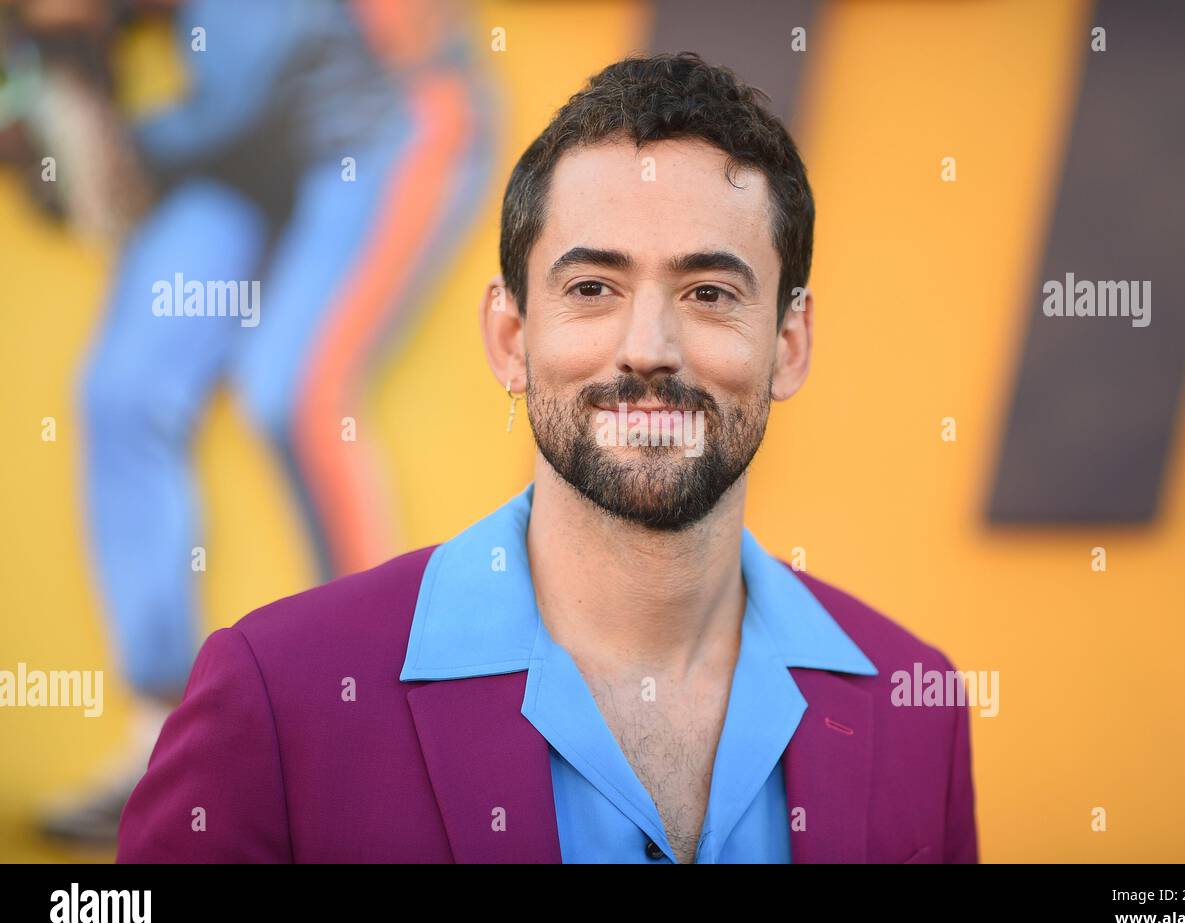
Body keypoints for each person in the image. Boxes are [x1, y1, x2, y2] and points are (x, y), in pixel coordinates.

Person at [117, 51, 977, 863]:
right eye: (593, 288)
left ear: (789, 343)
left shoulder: (915, 703)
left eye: (710, 293)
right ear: (510, 336)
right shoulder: (277, 695)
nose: (648, 348)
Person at [26, 0, 497, 845]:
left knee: (294, 394)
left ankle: (392, 734)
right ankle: (161, 737)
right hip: (244, 159)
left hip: (381, 119)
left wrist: (121, 147)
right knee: (124, 392)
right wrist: (55, 69)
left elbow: (232, 95)